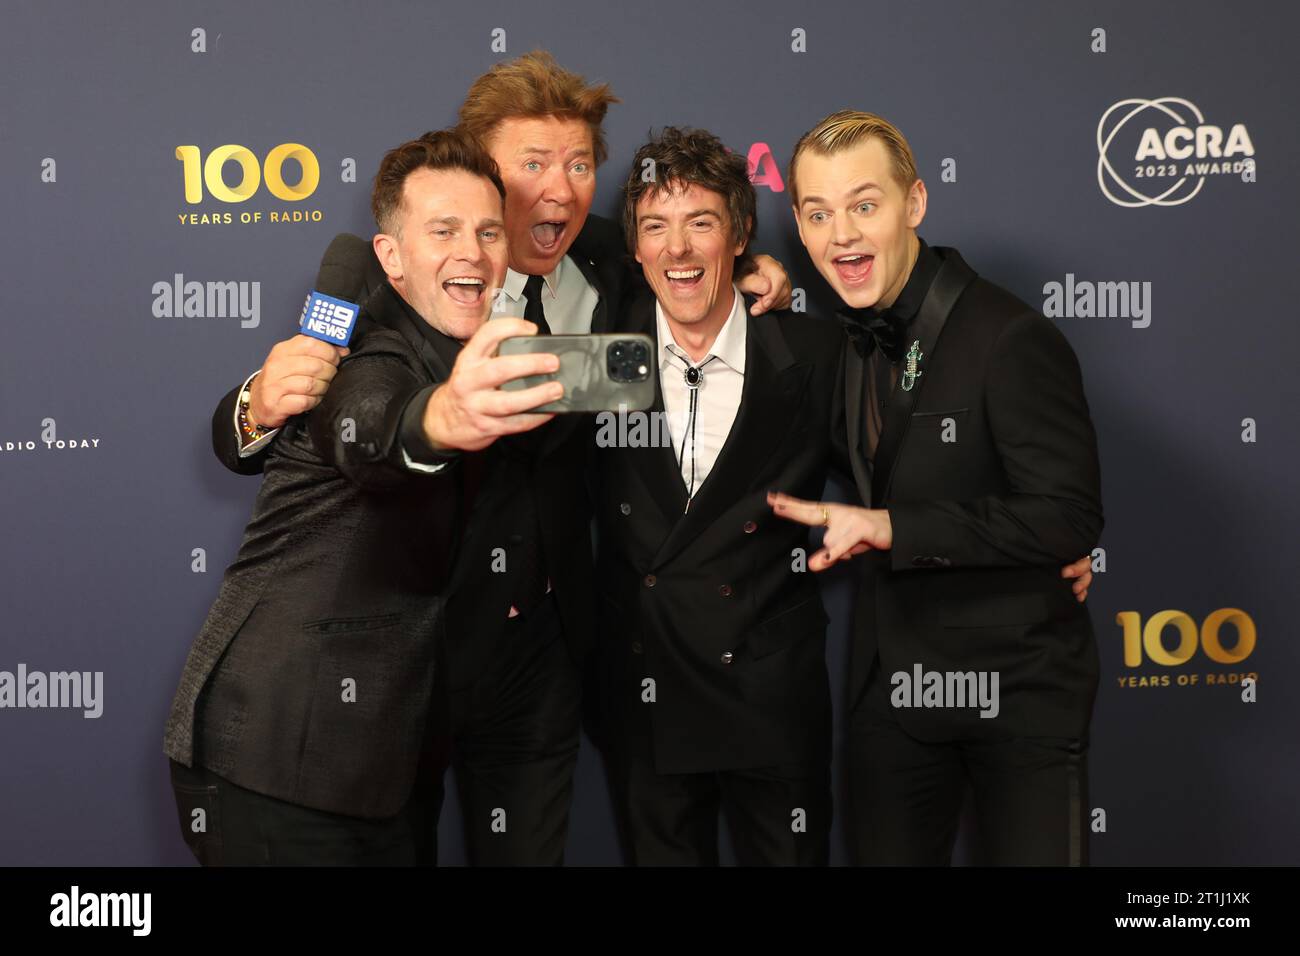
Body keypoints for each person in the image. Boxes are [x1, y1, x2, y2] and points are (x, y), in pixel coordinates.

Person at [200, 51, 794, 864]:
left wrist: (752, 270)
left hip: (545, 649)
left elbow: (689, 252)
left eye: (580, 164)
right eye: (533, 165)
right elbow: (357, 416)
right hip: (418, 646)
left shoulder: (616, 257)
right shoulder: (386, 281)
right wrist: (257, 406)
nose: (561, 189)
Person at [163, 130, 562, 864]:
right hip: (276, 759)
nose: (471, 252)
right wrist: (443, 420)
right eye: (442, 231)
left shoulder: (468, 344)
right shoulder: (362, 353)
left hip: (389, 762)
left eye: (486, 232)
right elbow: (374, 427)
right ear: (392, 258)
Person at [771, 110, 1103, 865]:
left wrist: (895, 528)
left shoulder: (1009, 336)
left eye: (865, 205)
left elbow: (1067, 515)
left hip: (1018, 693)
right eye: (819, 214)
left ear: (914, 203)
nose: (842, 235)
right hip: (891, 693)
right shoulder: (840, 339)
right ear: (797, 222)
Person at [593, 127, 848, 865]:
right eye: (655, 228)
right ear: (633, 248)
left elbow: (900, 474)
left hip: (772, 693)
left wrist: (1008, 541)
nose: (678, 250)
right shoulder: (599, 354)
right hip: (647, 690)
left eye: (700, 223)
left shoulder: (814, 355)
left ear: (737, 235)